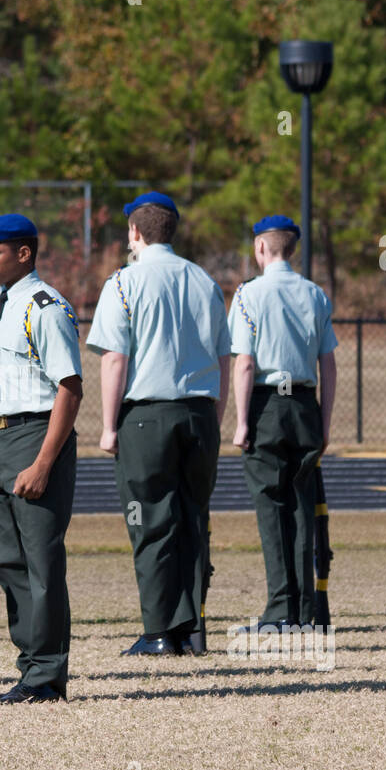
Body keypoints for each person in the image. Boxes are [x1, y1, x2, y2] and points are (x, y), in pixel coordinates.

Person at [87, 191, 230, 656]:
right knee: (192, 518)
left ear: (135, 231)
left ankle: (157, 631)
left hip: (146, 416)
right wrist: (216, 417)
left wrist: (109, 426)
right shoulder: (204, 281)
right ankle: (190, 628)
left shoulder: (124, 283)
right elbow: (223, 357)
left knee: (149, 520)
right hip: (198, 413)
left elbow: (115, 358)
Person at [0, 214, 82, 704]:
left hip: (36, 435)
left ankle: (47, 675)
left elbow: (69, 389)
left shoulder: (45, 306)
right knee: (7, 561)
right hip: (1, 437)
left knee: (41, 561)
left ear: (24, 254)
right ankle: (31, 666)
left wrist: (44, 463)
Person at [229, 215, 336, 628]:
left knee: (271, 507)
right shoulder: (315, 294)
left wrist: (241, 422)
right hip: (305, 403)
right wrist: (324, 422)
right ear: (291, 249)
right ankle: (306, 610)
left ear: (260, 247)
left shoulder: (248, 295)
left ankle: (279, 609)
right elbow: (329, 362)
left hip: (267, 404)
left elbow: (245, 362)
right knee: (301, 507)